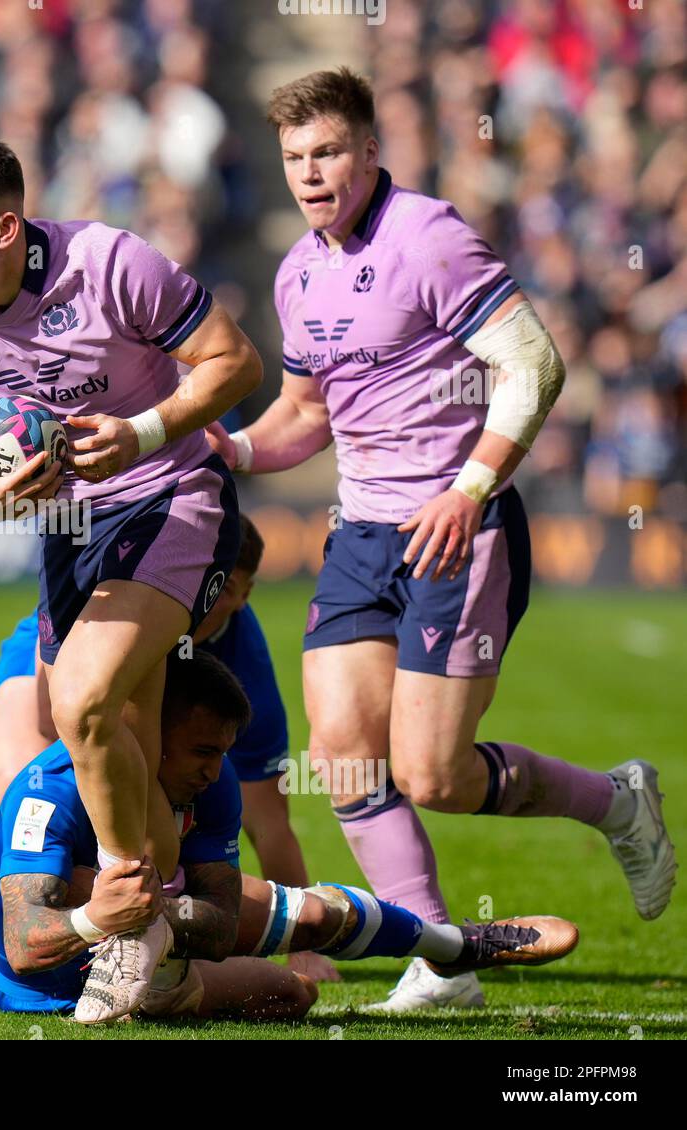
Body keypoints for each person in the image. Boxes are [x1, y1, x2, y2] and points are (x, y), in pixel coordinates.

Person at [207, 66, 674, 1011]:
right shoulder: (300, 270)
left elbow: (534, 362)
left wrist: (469, 488)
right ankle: (445, 959)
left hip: (460, 530)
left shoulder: (429, 235)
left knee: (435, 776)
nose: (309, 173)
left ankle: (618, 801)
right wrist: (231, 445)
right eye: (295, 157)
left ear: (371, 150)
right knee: (342, 755)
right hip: (362, 535)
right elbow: (306, 414)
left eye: (328, 150)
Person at [0, 129, 263, 1023]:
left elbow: (238, 362)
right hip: (71, 529)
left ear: (6, 229)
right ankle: (176, 927)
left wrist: (145, 431)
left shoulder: (110, 263)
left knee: (79, 700)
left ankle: (129, 925)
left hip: (173, 497)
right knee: (121, 735)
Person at [0, 651, 579, 1018]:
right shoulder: (51, 788)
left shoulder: (214, 782)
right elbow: (22, 943)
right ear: (149, 736)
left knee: (299, 981)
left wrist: (148, 915)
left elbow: (217, 920)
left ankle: (457, 949)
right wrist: (98, 919)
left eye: (222, 753)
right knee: (284, 992)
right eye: (200, 751)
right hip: (50, 985)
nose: (213, 770)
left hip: (165, 946)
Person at [0, 514, 341, 984]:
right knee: (20, 779)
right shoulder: (114, 607)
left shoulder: (242, 664)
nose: (201, 602)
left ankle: (143, 934)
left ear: (239, 593)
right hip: (77, 664)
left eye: (217, 589)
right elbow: (54, 730)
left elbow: (269, 817)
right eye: (197, 585)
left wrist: (304, 953)